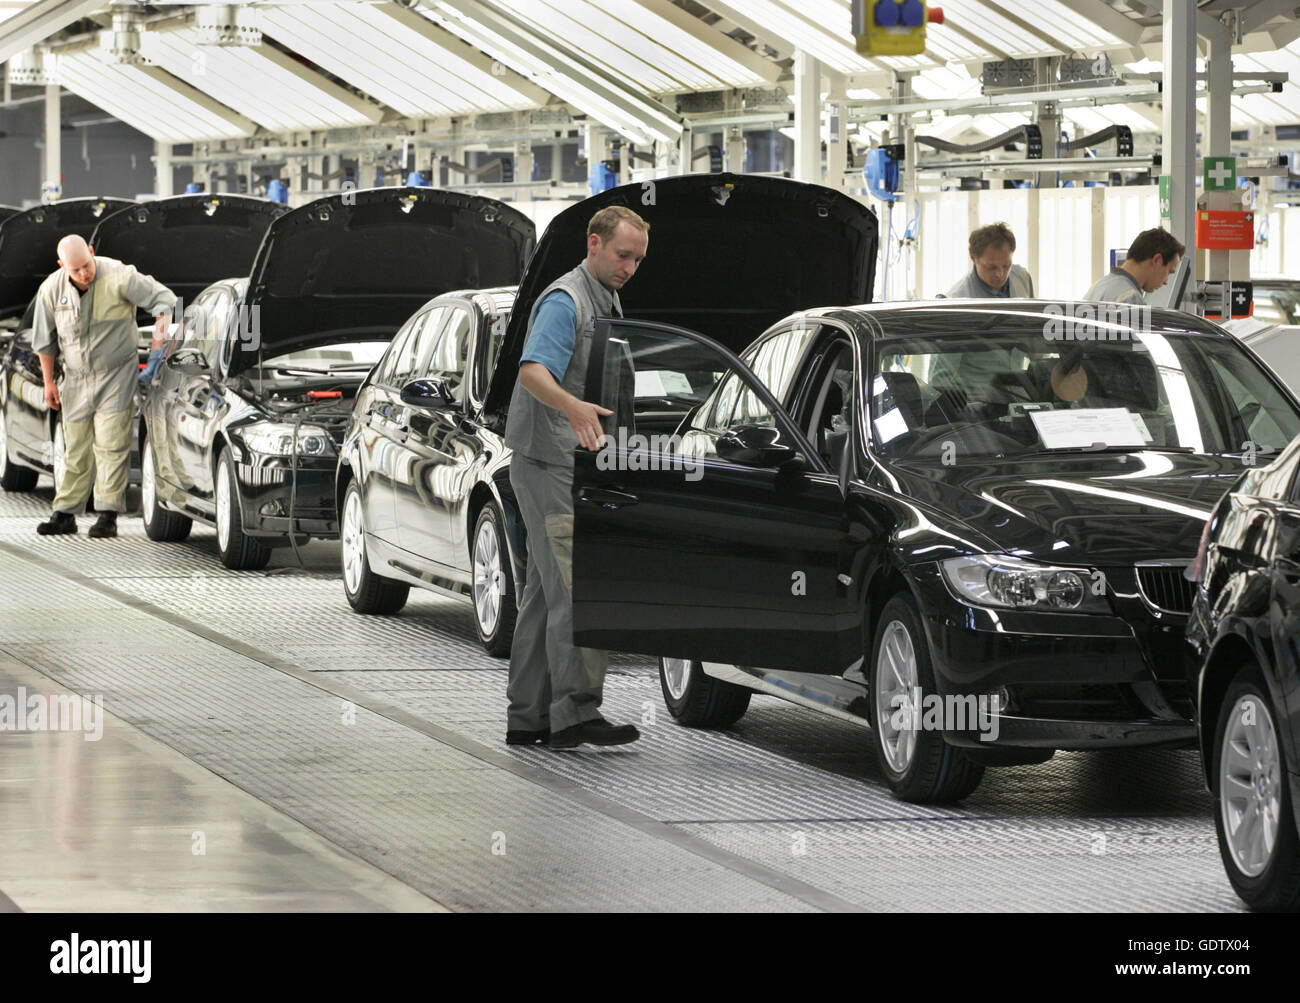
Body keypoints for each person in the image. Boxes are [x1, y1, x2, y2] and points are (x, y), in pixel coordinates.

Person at [503, 205, 649, 750]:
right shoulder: (567, 301)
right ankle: (576, 715)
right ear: (593, 244)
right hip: (549, 464)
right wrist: (574, 409)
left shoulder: (605, 298)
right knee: (579, 591)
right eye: (622, 255)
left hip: (568, 463)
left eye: (637, 259)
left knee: (545, 595)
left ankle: (529, 717)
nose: (630, 266)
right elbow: (533, 371)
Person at [32, 234, 177, 538]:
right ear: (62, 266)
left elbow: (167, 302)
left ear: (92, 252)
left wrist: (156, 353)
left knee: (112, 444)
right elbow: (44, 342)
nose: (84, 274)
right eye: (75, 270)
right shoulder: (50, 289)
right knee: (75, 446)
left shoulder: (121, 276)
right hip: (75, 377)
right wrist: (48, 383)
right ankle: (65, 514)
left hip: (116, 376)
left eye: (86, 265)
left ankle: (107, 515)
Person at [1083, 227, 1184, 305]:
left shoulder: (1098, 286)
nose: (1166, 281)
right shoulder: (1131, 299)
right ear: (1157, 260)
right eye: (1169, 272)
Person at [947, 222, 1035, 298]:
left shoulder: (1022, 277)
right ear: (973, 258)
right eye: (991, 267)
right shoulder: (957, 298)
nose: (1000, 274)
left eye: (1006, 265)